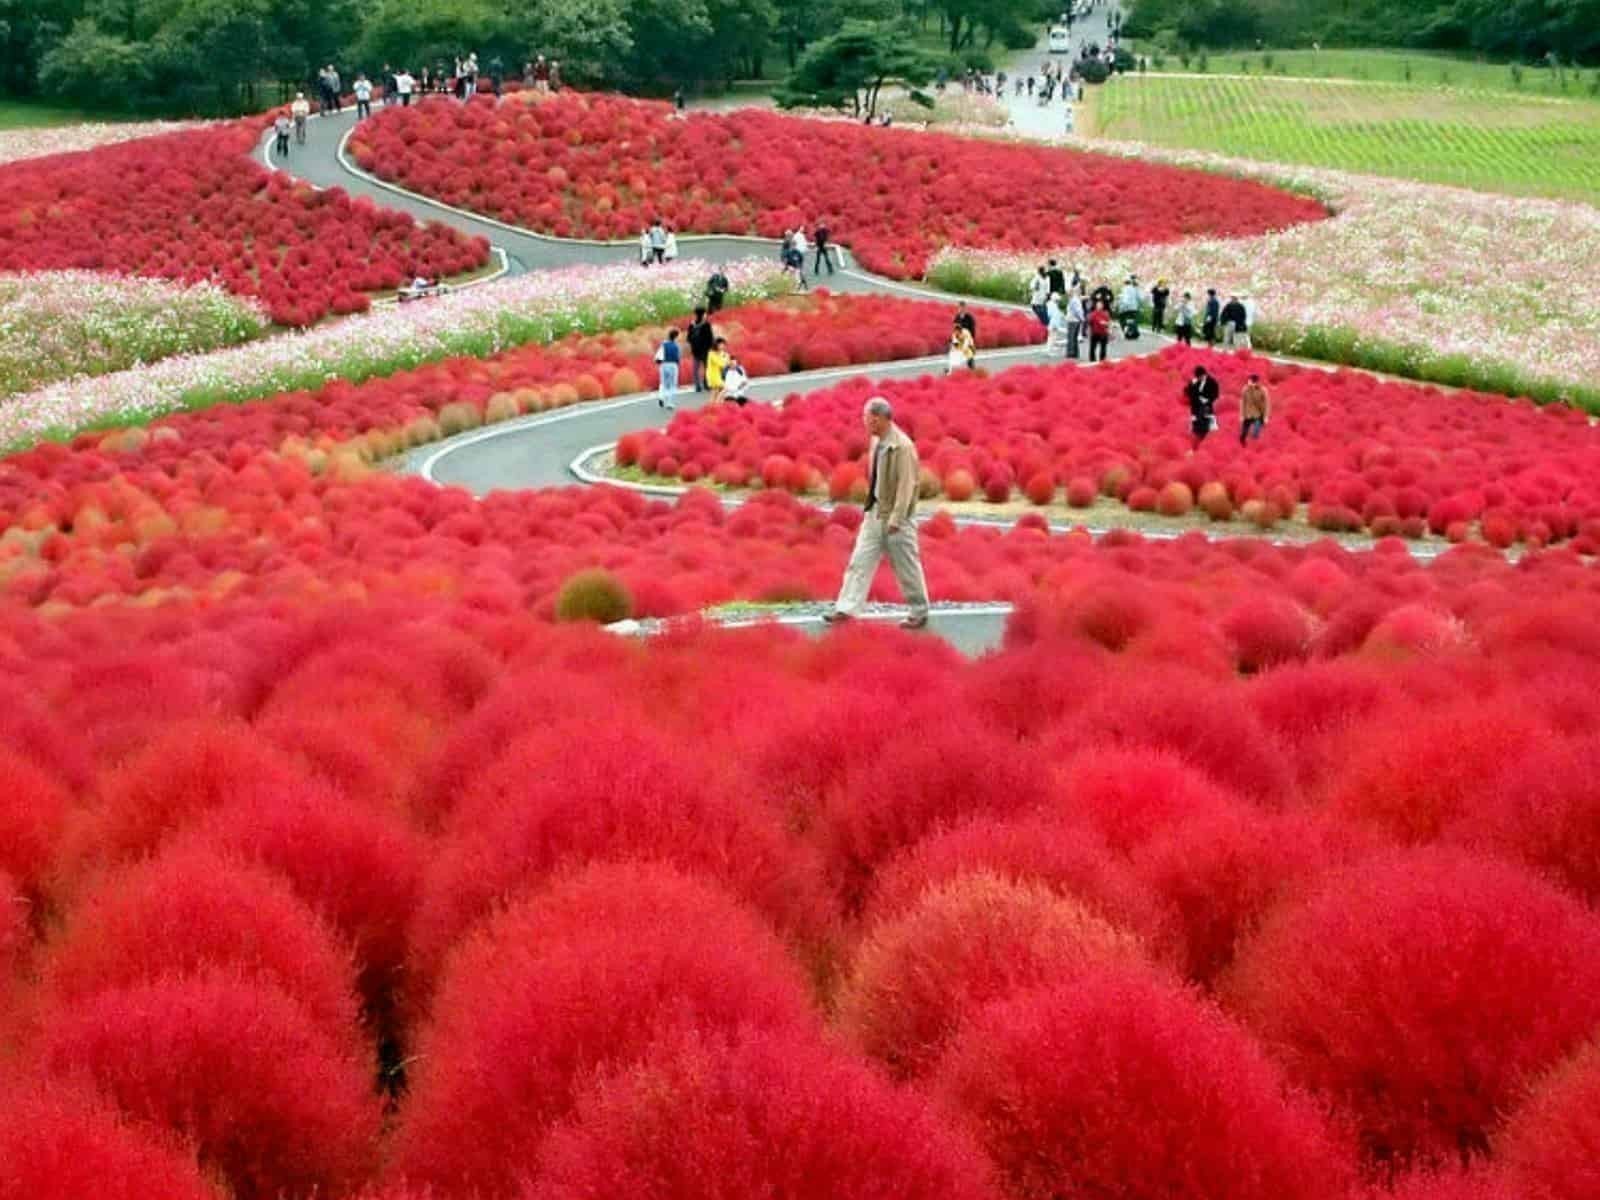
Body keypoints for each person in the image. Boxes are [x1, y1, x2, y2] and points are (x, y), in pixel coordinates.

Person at [824, 397, 930, 631]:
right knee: (859, 562)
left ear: (880, 418)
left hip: (897, 518)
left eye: (868, 417)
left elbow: (907, 486)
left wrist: (896, 519)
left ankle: (919, 611)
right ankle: (846, 608)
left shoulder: (903, 446)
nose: (864, 422)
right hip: (874, 514)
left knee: (906, 566)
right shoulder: (876, 441)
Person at [1185, 365, 1220, 450]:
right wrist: (1191, 384)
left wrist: (1207, 400)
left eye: (1200, 376)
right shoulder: (1194, 381)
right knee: (1196, 428)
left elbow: (1216, 394)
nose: (1198, 378)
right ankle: (1196, 446)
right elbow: (1187, 392)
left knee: (1205, 428)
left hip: (1206, 407)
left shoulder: (1212, 382)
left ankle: (1201, 446)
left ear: (1204, 374)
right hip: (1195, 408)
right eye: (1197, 377)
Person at [686, 307, 715, 391]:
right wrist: (711, 347)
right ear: (702, 314)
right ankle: (706, 384)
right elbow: (710, 338)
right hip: (705, 351)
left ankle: (697, 386)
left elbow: (688, 338)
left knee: (695, 369)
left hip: (695, 351)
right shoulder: (706, 324)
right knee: (707, 368)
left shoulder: (691, 325)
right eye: (705, 313)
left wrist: (694, 344)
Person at [654, 328, 682, 410]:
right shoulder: (676, 346)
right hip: (673, 365)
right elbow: (677, 358)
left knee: (663, 382)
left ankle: (661, 396)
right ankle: (669, 403)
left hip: (663, 365)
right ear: (676, 337)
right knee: (672, 384)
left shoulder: (664, 344)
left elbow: (658, 356)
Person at [1239, 372, 1270, 444]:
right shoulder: (1245, 389)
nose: (1248, 382)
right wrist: (1241, 415)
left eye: (1249, 381)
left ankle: (1254, 445)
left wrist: (1266, 417)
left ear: (1255, 382)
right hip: (1247, 414)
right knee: (1243, 434)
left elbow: (1266, 404)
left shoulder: (1263, 390)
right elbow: (1242, 402)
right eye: (1248, 381)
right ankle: (1243, 446)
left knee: (1255, 433)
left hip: (1258, 415)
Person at [706, 337, 731, 403]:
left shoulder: (718, 353)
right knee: (726, 388)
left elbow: (725, 363)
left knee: (714, 392)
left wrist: (726, 358)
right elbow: (721, 364)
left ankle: (711, 408)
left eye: (723, 345)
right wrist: (726, 358)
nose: (723, 347)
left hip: (716, 375)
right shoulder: (712, 353)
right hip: (713, 376)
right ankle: (717, 404)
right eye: (721, 345)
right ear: (716, 344)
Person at [1046, 292, 1070, 357]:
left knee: (1053, 337)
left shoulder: (1053, 304)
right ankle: (1049, 351)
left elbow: (1057, 313)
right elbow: (1052, 314)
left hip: (1054, 323)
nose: (1058, 300)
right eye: (1057, 299)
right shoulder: (1052, 305)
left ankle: (1050, 349)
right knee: (1052, 337)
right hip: (1053, 323)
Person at [1066, 288, 1086, 359]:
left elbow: (1076, 311)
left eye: (1068, 292)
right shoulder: (1076, 300)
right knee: (1074, 337)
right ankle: (1075, 353)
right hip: (1076, 320)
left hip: (1073, 320)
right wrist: (1082, 318)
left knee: (1071, 337)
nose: (1067, 294)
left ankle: (1071, 353)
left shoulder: (1073, 300)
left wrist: (1081, 318)